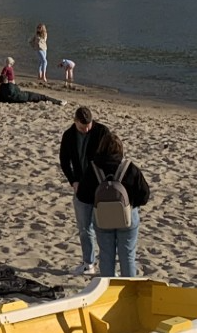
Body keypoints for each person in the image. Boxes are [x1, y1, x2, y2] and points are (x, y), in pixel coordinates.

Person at [88, 129, 151, 279]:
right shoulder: (129, 168)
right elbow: (144, 195)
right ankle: (129, 288)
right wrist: (132, 203)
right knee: (128, 255)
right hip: (127, 217)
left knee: (106, 256)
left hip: (102, 217)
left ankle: (108, 289)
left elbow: (83, 195)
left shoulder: (93, 169)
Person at [58, 105, 113, 275]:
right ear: (75, 122)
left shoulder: (102, 132)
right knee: (84, 228)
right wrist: (73, 180)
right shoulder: (68, 135)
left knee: (104, 228)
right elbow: (64, 160)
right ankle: (88, 263)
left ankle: (107, 266)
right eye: (83, 127)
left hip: (101, 187)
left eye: (88, 125)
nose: (86, 129)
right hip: (81, 188)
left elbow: (112, 156)